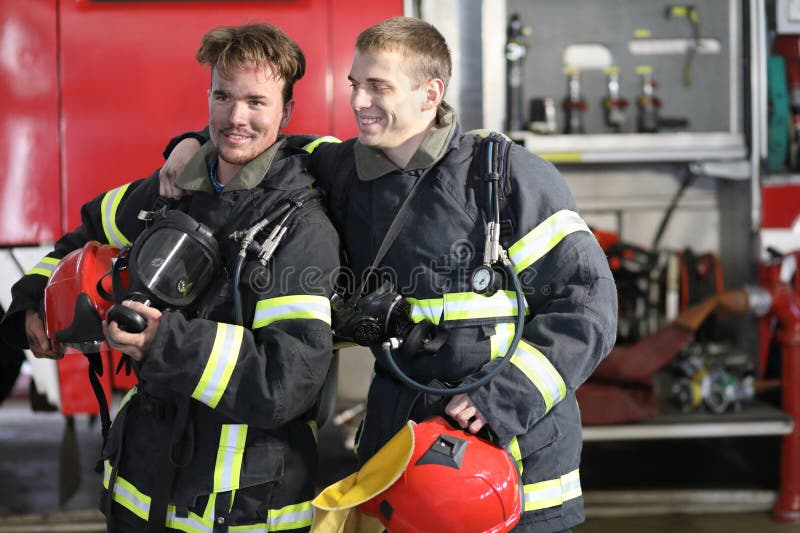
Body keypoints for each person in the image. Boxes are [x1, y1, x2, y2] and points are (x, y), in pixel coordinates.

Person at [162, 16, 617, 532]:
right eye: (356, 84)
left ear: (431, 93)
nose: (358, 102)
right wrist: (188, 143)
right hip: (408, 476)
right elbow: (253, 135)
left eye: (378, 87)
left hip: (515, 475)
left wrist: (503, 398)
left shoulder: (504, 178)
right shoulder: (342, 171)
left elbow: (589, 307)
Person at [1, 23, 340, 532]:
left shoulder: (301, 227)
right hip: (141, 498)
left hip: (238, 511)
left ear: (286, 112)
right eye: (223, 95)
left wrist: (167, 341)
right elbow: (88, 232)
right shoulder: (172, 189)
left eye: (256, 101)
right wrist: (33, 302)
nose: (236, 117)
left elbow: (286, 382)